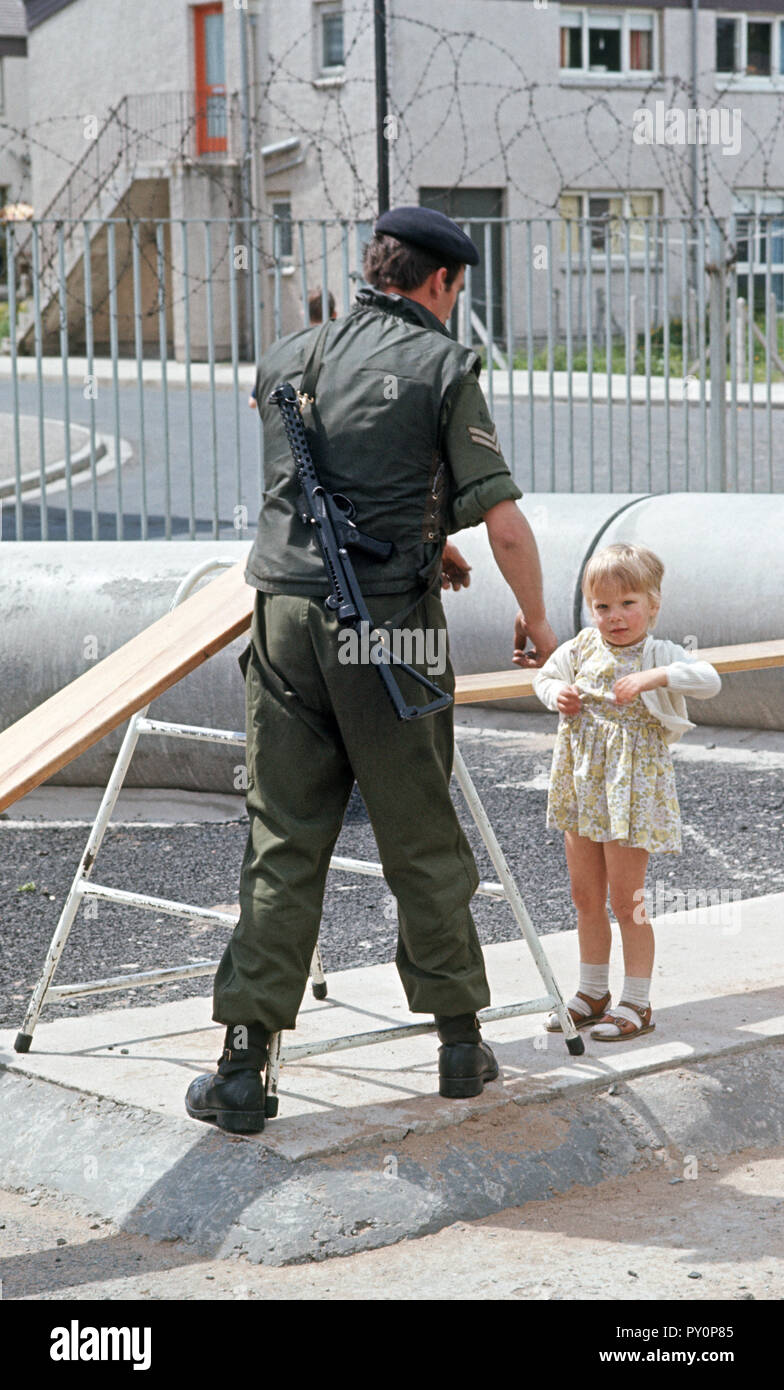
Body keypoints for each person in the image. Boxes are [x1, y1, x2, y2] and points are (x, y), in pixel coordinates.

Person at [186, 204, 557, 1134]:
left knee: (283, 834)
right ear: (439, 283)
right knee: (420, 831)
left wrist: (424, 536)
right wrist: (539, 619)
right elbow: (505, 521)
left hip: (284, 625)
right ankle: (461, 1046)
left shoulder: (287, 356)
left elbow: (322, 475)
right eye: (457, 291)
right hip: (390, 634)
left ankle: (244, 1067)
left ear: (371, 269)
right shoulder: (442, 367)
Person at [530, 543, 720, 1042]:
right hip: (582, 786)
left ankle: (638, 1000)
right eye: (603, 606)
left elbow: (709, 679)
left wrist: (656, 677)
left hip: (630, 793)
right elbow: (546, 677)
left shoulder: (657, 653)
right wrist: (557, 694)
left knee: (626, 897)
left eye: (628, 604)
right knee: (584, 894)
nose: (615, 617)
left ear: (653, 605)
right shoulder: (581, 647)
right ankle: (592, 991)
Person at [249, 288, 337, 408]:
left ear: (304, 314)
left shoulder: (285, 349)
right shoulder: (340, 346)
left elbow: (253, 402)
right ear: (334, 314)